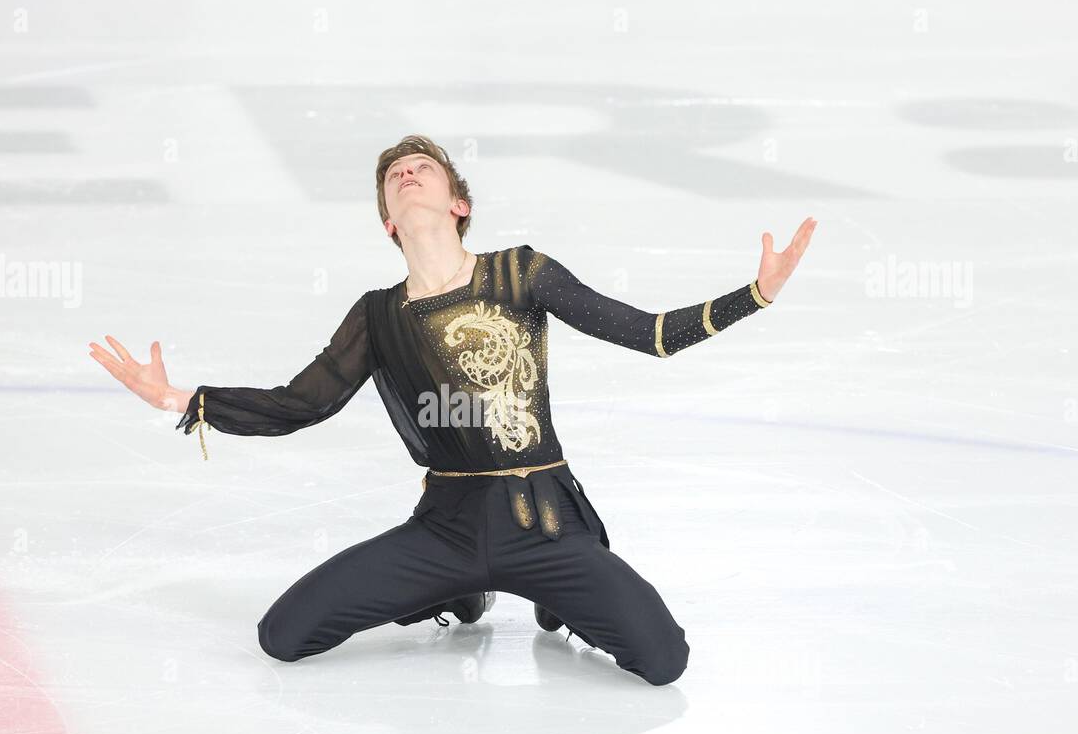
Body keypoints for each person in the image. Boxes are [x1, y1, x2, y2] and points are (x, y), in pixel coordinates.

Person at [90, 135, 816, 685]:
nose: (406, 175)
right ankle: (462, 592)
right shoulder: (377, 316)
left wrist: (755, 296)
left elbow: (649, 334)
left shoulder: (522, 272)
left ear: (457, 204)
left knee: (663, 659)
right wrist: (184, 400)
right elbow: (301, 404)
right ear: (387, 224)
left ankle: (546, 596)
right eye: (393, 177)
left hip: (545, 528)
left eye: (421, 168)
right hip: (444, 531)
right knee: (283, 635)